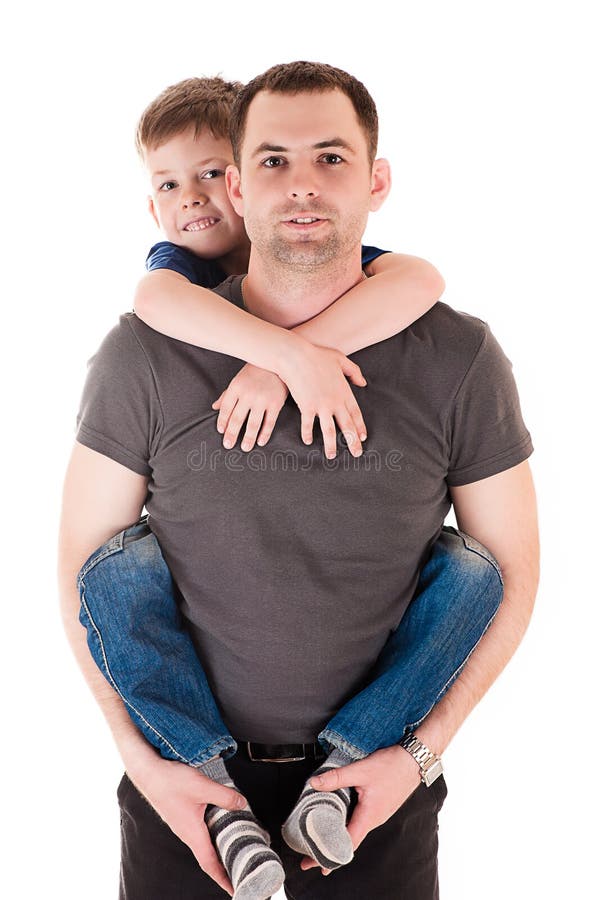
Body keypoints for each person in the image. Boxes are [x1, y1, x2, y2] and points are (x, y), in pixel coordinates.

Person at [59, 62, 539, 900]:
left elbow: (513, 571)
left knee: (471, 571)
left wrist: (415, 758)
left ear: (376, 181)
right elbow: (84, 575)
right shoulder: (145, 351)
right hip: (182, 791)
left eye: (331, 157)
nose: (303, 184)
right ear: (239, 187)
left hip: (379, 789)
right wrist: (144, 764)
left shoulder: (458, 356)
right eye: (274, 160)